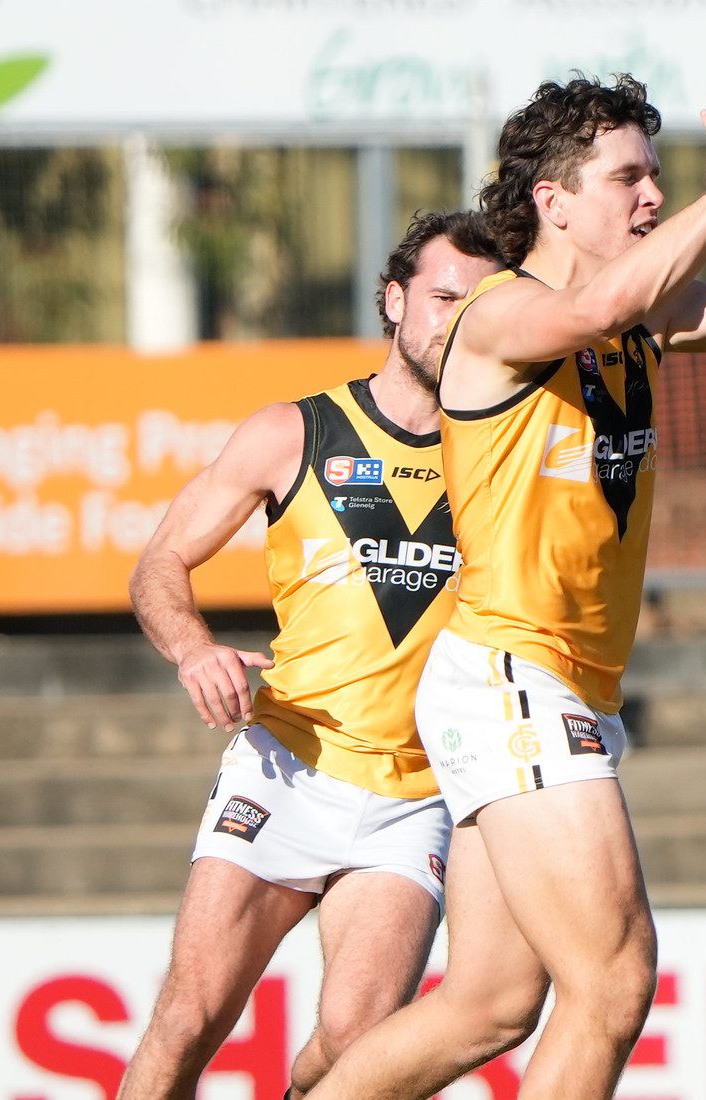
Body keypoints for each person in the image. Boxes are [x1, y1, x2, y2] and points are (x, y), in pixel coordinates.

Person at [307, 66, 706, 1100]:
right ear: (552, 200)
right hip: (509, 676)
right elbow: (607, 298)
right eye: (630, 178)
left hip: (552, 686)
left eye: (658, 176)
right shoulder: (495, 314)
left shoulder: (640, 314)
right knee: (613, 981)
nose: (652, 194)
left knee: (488, 1003)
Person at [118, 211, 505, 1100]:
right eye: (444, 298)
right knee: (187, 1019)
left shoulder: (499, 452)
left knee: (358, 1046)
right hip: (287, 768)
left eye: (479, 305)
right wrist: (194, 651)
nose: (457, 321)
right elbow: (159, 565)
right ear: (394, 298)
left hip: (415, 797)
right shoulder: (294, 433)